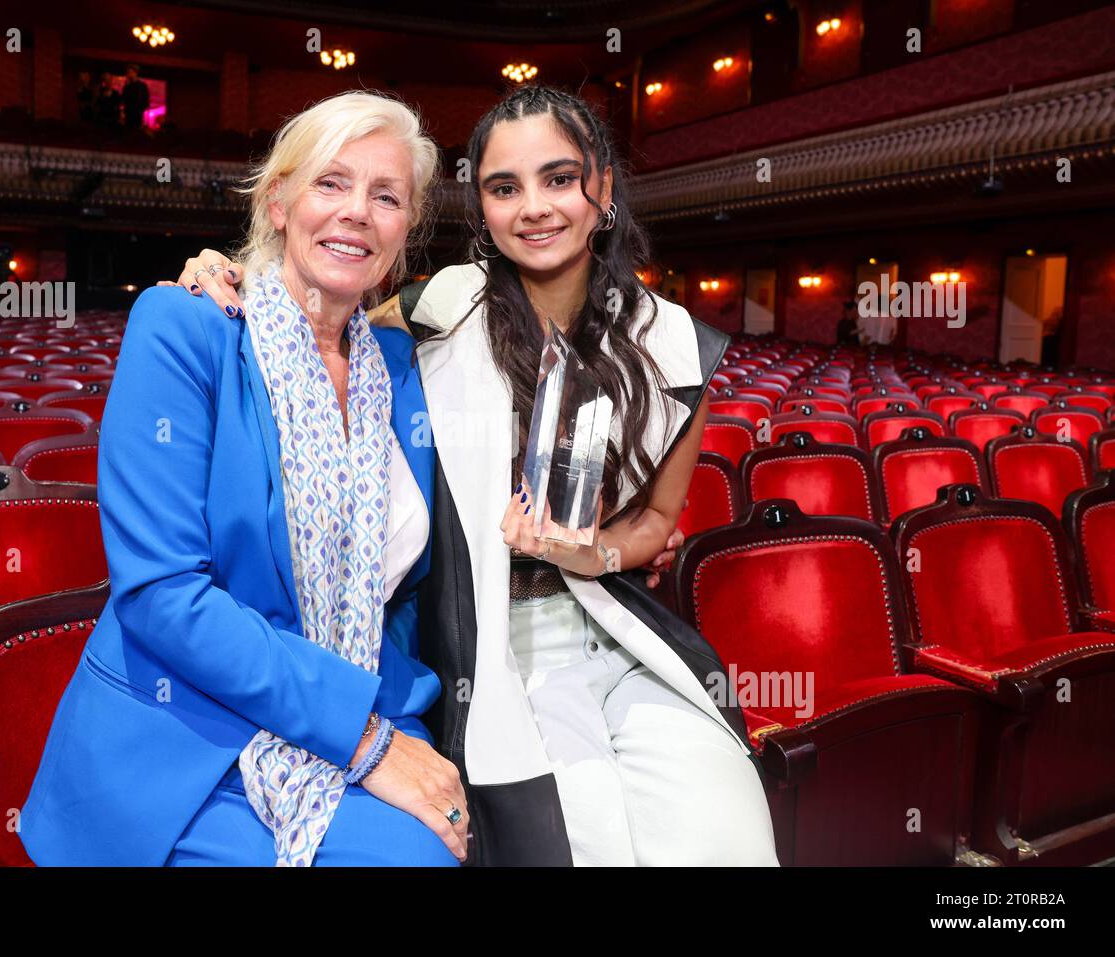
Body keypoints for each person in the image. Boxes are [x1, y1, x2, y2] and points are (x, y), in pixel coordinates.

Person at [168, 86, 779, 866]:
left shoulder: (674, 345)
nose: (534, 207)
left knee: (723, 821)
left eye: (560, 178)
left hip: (613, 623)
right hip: (486, 635)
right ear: (482, 209)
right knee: (583, 832)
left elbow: (658, 523)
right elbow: (313, 311)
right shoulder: (434, 312)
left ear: (604, 191)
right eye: (503, 187)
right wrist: (226, 270)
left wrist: (590, 553)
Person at [19, 90, 469, 867]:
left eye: (386, 195)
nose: (357, 211)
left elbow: (395, 595)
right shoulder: (185, 326)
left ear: (405, 231)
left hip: (368, 700)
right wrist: (363, 739)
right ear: (278, 201)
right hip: (195, 736)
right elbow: (162, 595)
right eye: (330, 183)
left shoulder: (403, 367)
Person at [122, 64, 150, 130]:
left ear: (135, 73)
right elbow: (124, 98)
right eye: (128, 73)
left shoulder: (142, 86)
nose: (128, 74)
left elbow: (145, 99)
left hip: (137, 114)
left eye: (130, 72)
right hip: (129, 114)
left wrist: (141, 110)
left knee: (136, 130)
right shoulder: (127, 86)